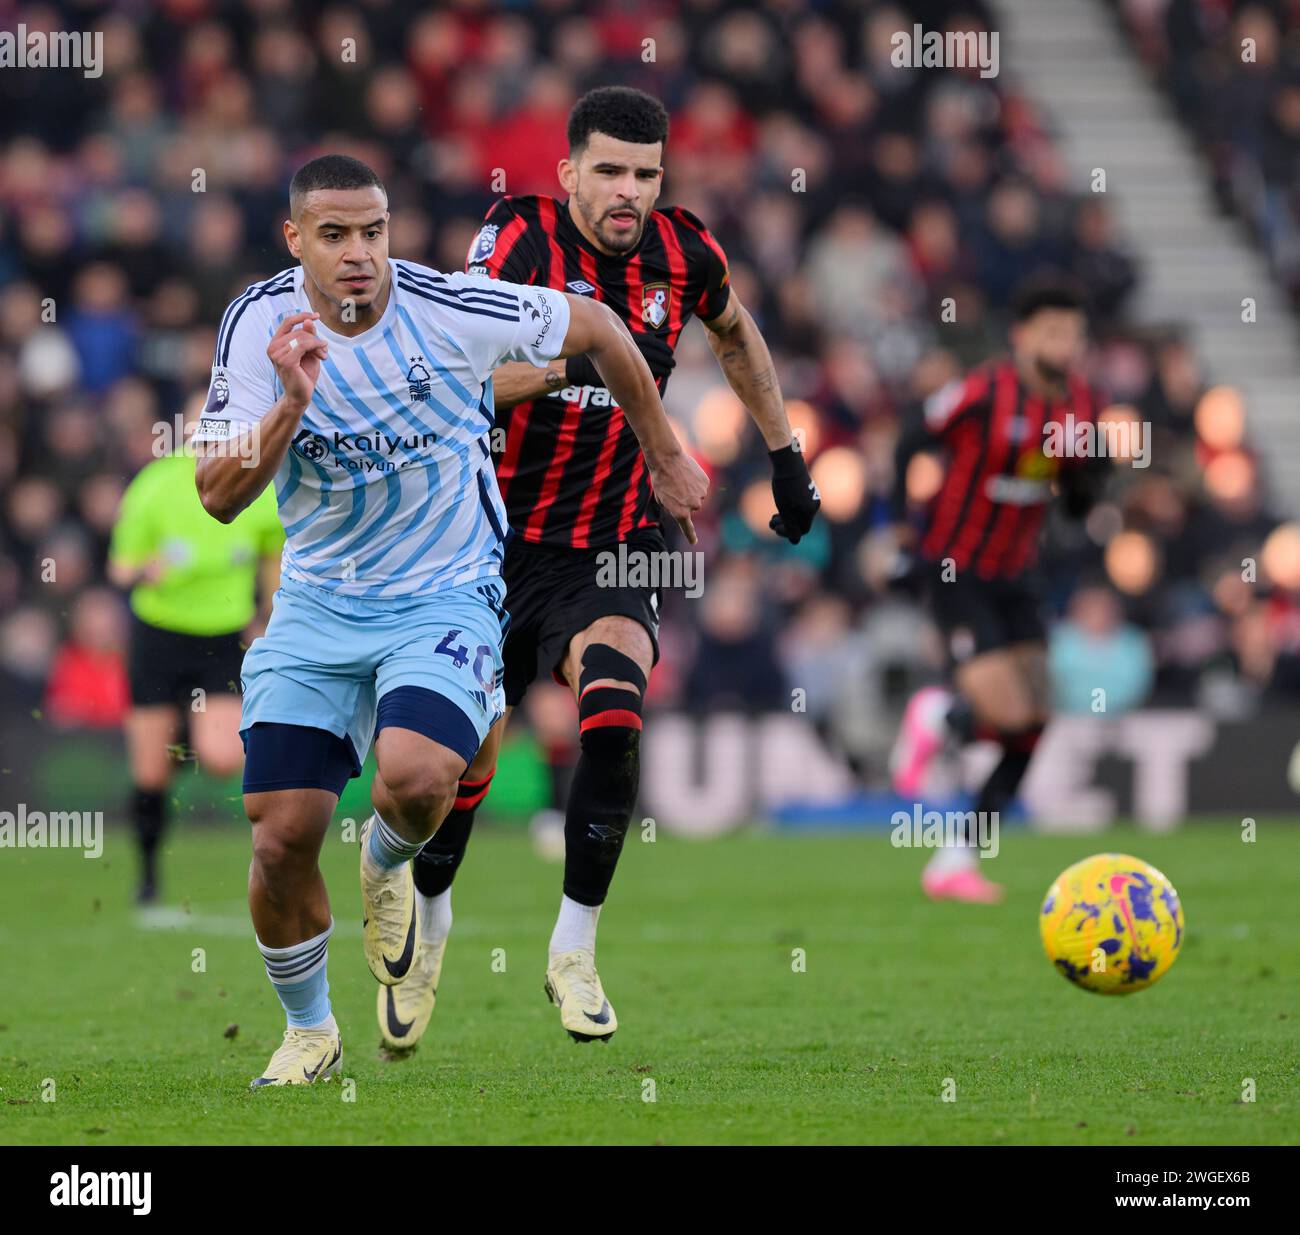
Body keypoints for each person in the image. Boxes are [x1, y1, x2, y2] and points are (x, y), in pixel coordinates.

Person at [192, 153, 707, 1087]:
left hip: (445, 591)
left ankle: (388, 861)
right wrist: (291, 404)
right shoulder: (259, 323)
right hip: (318, 602)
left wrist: (662, 451)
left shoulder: (449, 306)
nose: (359, 252)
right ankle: (310, 1030)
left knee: (419, 777)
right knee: (279, 837)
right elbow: (219, 495)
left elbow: (600, 326)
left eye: (374, 231)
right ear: (295, 239)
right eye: (335, 235)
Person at [386, 86, 820, 1052]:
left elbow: (736, 333)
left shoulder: (684, 252)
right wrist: (581, 361)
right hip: (487, 538)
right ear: (569, 172)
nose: (629, 191)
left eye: (646, 174)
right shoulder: (516, 238)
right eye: (610, 171)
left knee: (616, 714)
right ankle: (432, 912)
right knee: (463, 759)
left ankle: (574, 948)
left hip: (614, 535)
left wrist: (785, 453)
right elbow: (460, 372)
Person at [889, 279, 1107, 903]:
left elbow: (1076, 499)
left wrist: (1093, 479)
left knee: (1034, 725)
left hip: (1018, 575)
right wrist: (900, 530)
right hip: (957, 569)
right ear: (1022, 335)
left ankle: (956, 858)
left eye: (1071, 333)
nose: (1063, 344)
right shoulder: (984, 391)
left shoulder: (1083, 406)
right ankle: (937, 715)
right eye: (1051, 331)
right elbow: (910, 439)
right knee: (1009, 714)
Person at [108, 414, 281, 904]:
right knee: (149, 775)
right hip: (159, 637)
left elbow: (273, 551)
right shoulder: (156, 483)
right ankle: (147, 880)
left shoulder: (256, 483)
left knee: (224, 757)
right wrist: (144, 569)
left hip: (221, 639)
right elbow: (119, 568)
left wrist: (267, 614)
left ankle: (185, 729)